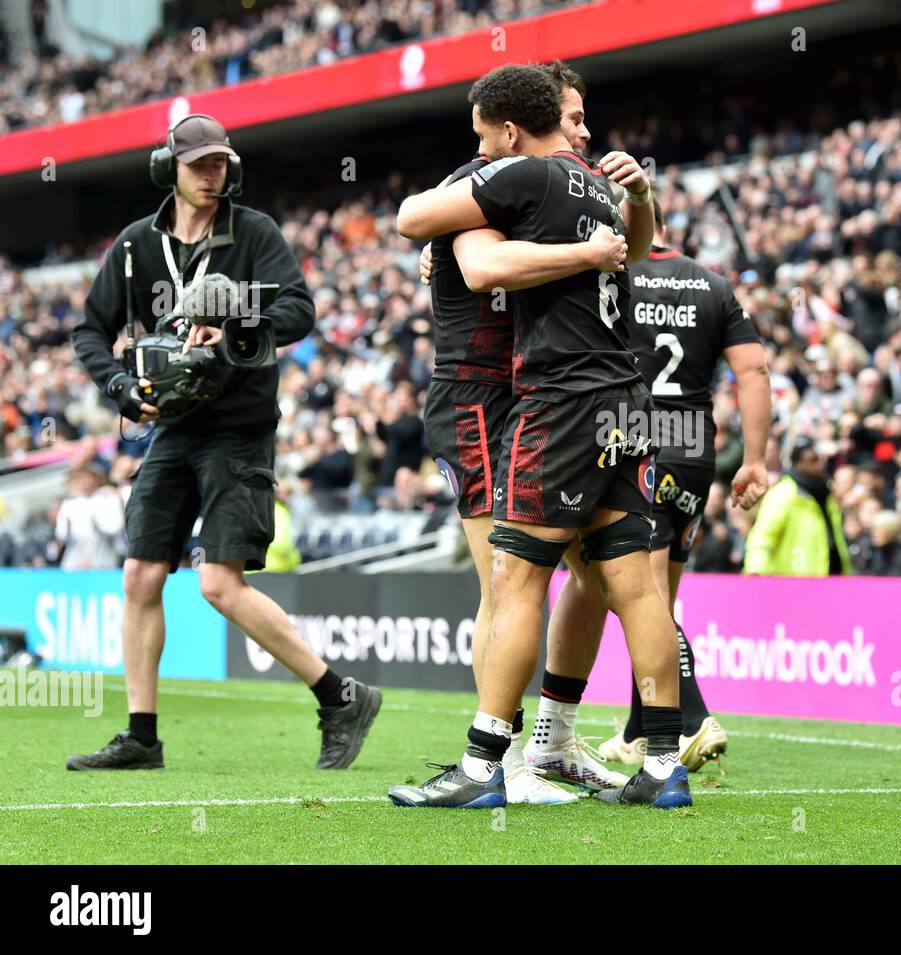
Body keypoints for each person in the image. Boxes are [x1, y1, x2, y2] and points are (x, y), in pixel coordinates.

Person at [389, 65, 690, 810]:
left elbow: (445, 238)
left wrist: (443, 234)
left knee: (515, 578)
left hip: (551, 398)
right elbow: (616, 253)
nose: (587, 129)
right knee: (626, 581)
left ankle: (490, 762)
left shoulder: (517, 174)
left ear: (510, 130)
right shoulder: (586, 187)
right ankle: (660, 761)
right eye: (577, 115)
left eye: (484, 134)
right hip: (612, 398)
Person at [69, 113, 382, 771]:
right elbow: (89, 333)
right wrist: (122, 386)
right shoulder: (133, 247)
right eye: (200, 165)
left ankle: (340, 695)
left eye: (221, 164)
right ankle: (142, 737)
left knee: (218, 582)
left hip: (239, 428)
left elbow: (299, 309)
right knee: (140, 574)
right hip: (172, 428)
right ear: (169, 170)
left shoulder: (255, 231)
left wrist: (233, 315)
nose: (214, 175)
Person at [531, 196, 770, 772]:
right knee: (659, 595)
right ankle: (641, 733)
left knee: (640, 597)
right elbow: (754, 370)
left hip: (628, 438)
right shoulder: (712, 284)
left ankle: (692, 718)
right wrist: (756, 459)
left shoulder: (607, 272)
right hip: (693, 448)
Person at [743, 439, 850, 576]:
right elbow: (763, 536)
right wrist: (756, 572)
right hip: (794, 582)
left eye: (819, 459)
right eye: (813, 460)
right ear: (798, 464)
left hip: (830, 578)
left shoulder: (826, 495)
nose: (819, 465)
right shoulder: (784, 494)